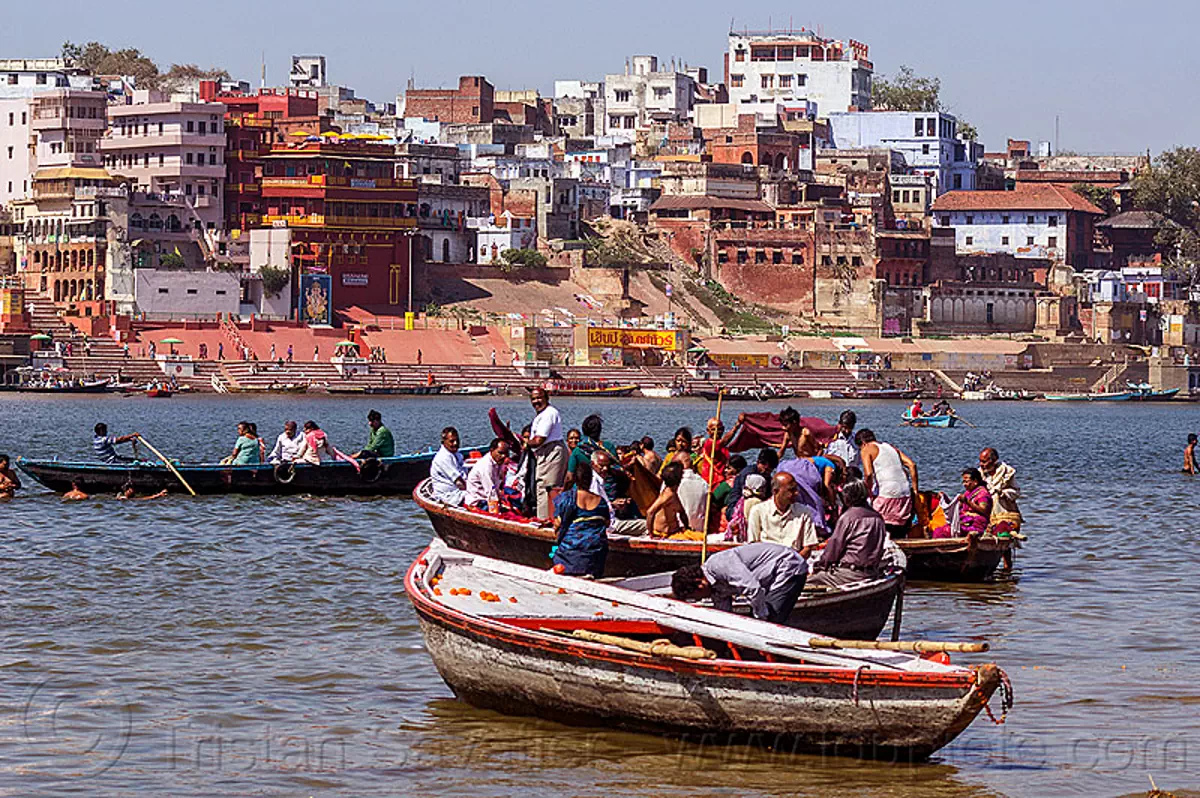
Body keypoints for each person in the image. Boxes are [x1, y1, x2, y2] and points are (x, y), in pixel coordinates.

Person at [671, 542, 809, 623]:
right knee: (762, 615)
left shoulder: (718, 565)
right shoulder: (715, 589)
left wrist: (761, 617)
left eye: (698, 596)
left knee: (771, 619)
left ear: (699, 584)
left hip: (788, 566)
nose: (703, 599)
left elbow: (753, 589)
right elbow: (724, 615)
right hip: (768, 578)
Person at [808, 479, 886, 587]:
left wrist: (819, 566)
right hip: (871, 572)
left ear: (848, 497)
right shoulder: (878, 517)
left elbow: (834, 547)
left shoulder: (848, 517)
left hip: (849, 574)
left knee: (807, 580)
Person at [552, 459, 611, 578]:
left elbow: (557, 524)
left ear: (575, 479)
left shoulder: (566, 498)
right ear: (590, 479)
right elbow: (607, 523)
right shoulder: (601, 502)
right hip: (595, 553)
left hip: (570, 552)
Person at [857, 428, 919, 538]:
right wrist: (914, 490)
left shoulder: (867, 449)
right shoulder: (890, 447)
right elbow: (912, 465)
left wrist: (868, 492)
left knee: (873, 520)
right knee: (898, 529)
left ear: (863, 443)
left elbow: (868, 474)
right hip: (905, 494)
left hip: (888, 494)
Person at [747, 472, 818, 557]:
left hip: (794, 561)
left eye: (796, 489)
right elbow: (753, 545)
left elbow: (808, 547)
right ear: (775, 491)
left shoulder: (804, 513)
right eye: (791, 490)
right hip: (766, 562)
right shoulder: (758, 511)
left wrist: (792, 563)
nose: (796, 493)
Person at [528, 387, 568, 518]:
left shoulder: (548, 413)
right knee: (547, 488)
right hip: (547, 452)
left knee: (546, 488)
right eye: (533, 399)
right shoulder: (543, 414)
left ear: (547, 398)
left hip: (550, 452)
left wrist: (524, 442)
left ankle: (545, 520)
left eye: (539, 398)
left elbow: (539, 440)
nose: (536, 401)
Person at [726, 447, 779, 520]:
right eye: (764, 468)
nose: (764, 471)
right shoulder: (748, 474)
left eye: (768, 471)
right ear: (758, 462)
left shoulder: (767, 477)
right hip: (737, 509)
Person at [979, 447, 1022, 530]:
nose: (981, 464)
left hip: (1004, 512)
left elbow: (1016, 492)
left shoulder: (1006, 472)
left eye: (984, 462)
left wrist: (1003, 493)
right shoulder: (979, 474)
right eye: (980, 461)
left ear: (994, 461)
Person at [566, 414, 617, 482]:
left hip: (585, 487)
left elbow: (570, 476)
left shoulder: (578, 450)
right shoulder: (609, 447)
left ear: (583, 430)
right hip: (607, 488)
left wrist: (564, 490)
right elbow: (617, 469)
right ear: (599, 430)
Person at [696, 415, 743, 488]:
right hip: (712, 481)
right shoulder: (709, 444)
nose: (717, 432)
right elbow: (724, 442)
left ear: (723, 429)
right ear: (708, 431)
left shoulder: (722, 446)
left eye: (719, 429)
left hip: (722, 479)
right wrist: (736, 427)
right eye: (713, 430)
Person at [645, 460, 688, 538]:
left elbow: (682, 513)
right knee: (698, 537)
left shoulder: (672, 493)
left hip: (675, 531)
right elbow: (650, 512)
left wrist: (687, 528)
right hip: (664, 534)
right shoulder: (667, 495)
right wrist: (651, 534)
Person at [465, 438, 510, 509]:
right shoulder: (486, 465)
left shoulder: (499, 462)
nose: (503, 456)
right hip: (478, 501)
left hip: (488, 498)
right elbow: (490, 491)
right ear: (492, 450)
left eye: (506, 453)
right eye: (500, 453)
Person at [431, 426, 467, 505]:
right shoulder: (443, 457)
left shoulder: (456, 454)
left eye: (457, 440)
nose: (455, 443)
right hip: (449, 496)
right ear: (443, 442)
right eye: (452, 441)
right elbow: (459, 483)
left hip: (458, 492)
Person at [958, 468, 993, 535]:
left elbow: (983, 510)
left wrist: (967, 501)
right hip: (965, 521)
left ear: (975, 481)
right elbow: (958, 507)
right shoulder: (967, 493)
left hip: (977, 524)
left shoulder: (983, 493)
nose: (964, 484)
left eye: (967, 482)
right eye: (963, 482)